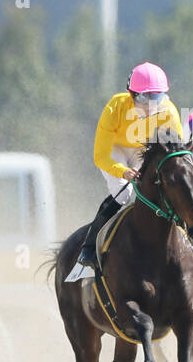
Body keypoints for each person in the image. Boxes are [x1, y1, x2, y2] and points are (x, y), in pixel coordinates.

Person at [77, 62, 183, 269]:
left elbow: (176, 155)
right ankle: (88, 248)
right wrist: (123, 172)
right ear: (131, 94)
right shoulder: (115, 107)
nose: (151, 105)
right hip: (116, 149)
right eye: (144, 98)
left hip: (142, 150)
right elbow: (101, 157)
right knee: (122, 195)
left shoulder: (169, 112)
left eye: (157, 97)